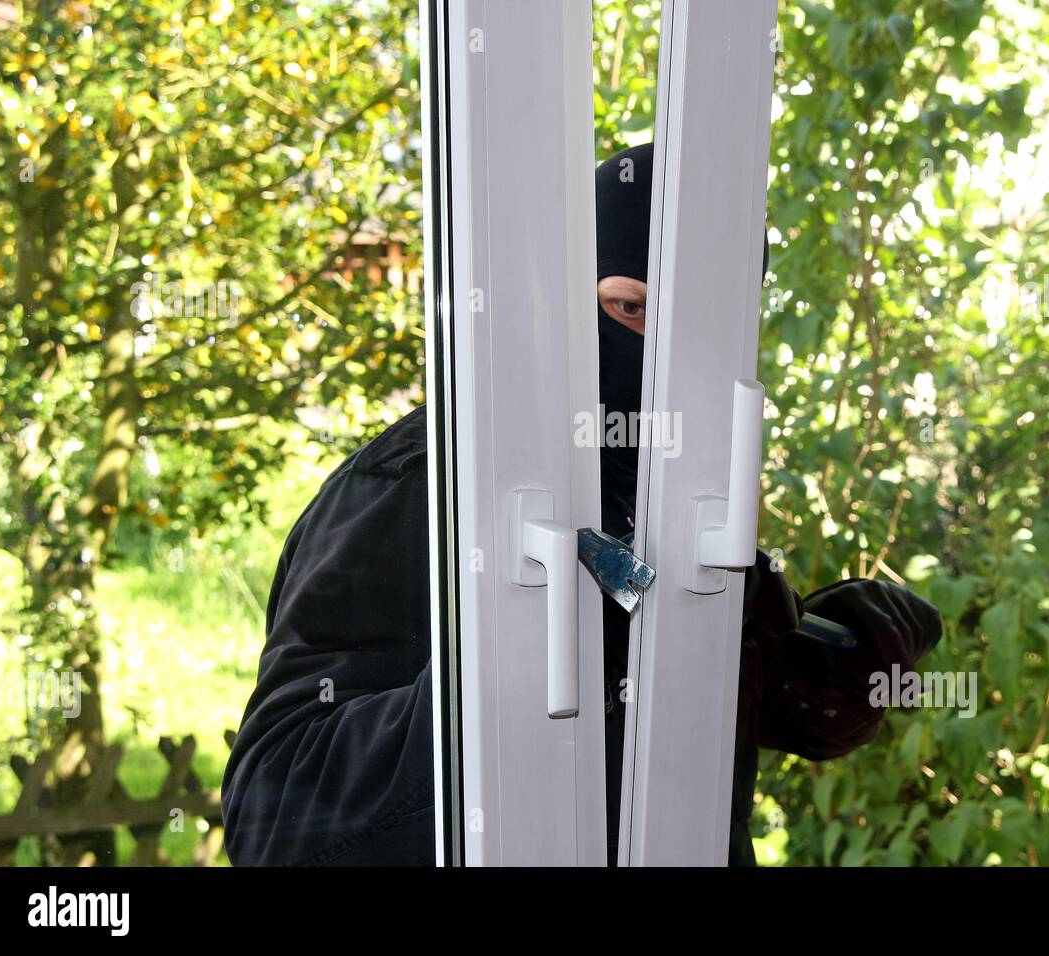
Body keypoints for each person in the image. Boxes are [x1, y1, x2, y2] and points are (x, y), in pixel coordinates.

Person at [221, 142, 943, 867]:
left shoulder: (668, 482)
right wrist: (521, 658)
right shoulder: (426, 482)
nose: (661, 356)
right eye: (630, 308)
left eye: (701, 328)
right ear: (566, 298)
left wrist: (826, 666)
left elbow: (671, 707)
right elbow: (275, 816)